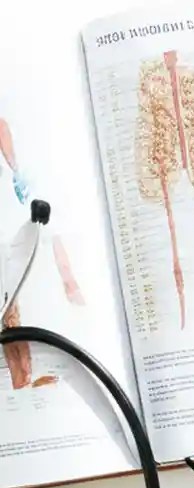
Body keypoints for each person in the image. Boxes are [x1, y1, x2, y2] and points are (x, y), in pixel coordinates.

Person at [0, 116, 84, 390]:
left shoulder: (19, 174)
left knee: (11, 314)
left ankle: (24, 378)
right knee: (8, 316)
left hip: (14, 242)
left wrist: (67, 276)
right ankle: (22, 378)